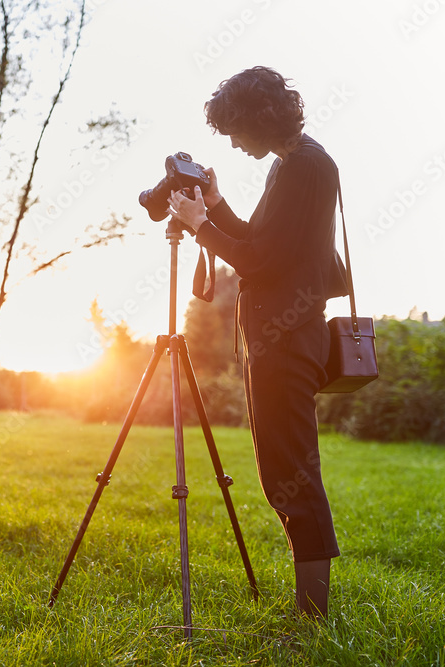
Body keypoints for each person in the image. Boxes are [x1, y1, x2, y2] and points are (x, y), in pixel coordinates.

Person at [167, 66, 345, 620]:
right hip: (279, 336)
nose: (233, 143)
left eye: (235, 131)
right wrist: (214, 208)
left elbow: (258, 261)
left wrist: (198, 227)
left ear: (258, 119)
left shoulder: (307, 167)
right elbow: (259, 241)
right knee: (280, 467)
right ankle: (308, 608)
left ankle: (312, 615)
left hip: (289, 337)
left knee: (292, 469)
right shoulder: (292, 164)